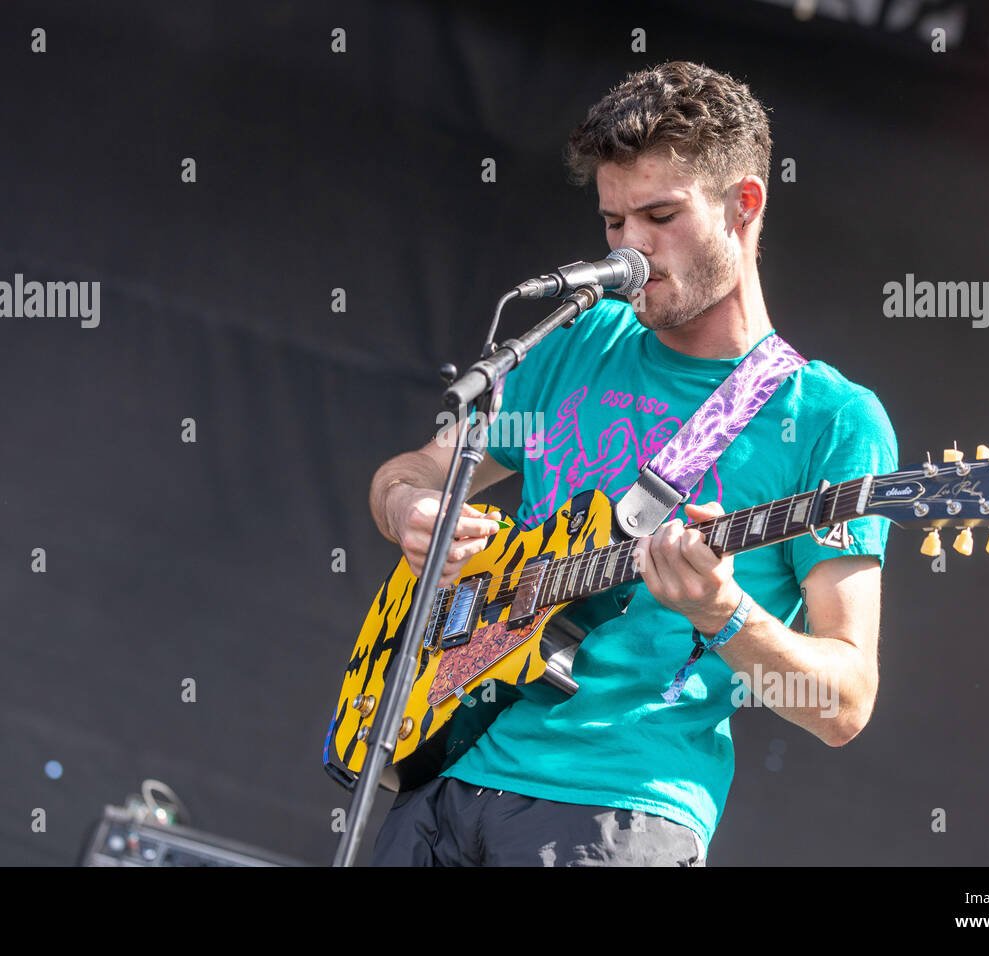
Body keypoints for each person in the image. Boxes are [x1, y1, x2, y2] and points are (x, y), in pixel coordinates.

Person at [366, 61, 897, 866]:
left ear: (743, 204)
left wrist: (725, 613)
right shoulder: (573, 341)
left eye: (660, 215)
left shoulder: (831, 421)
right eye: (614, 222)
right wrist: (409, 508)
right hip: (449, 769)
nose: (632, 249)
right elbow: (410, 470)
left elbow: (845, 702)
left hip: (617, 814)